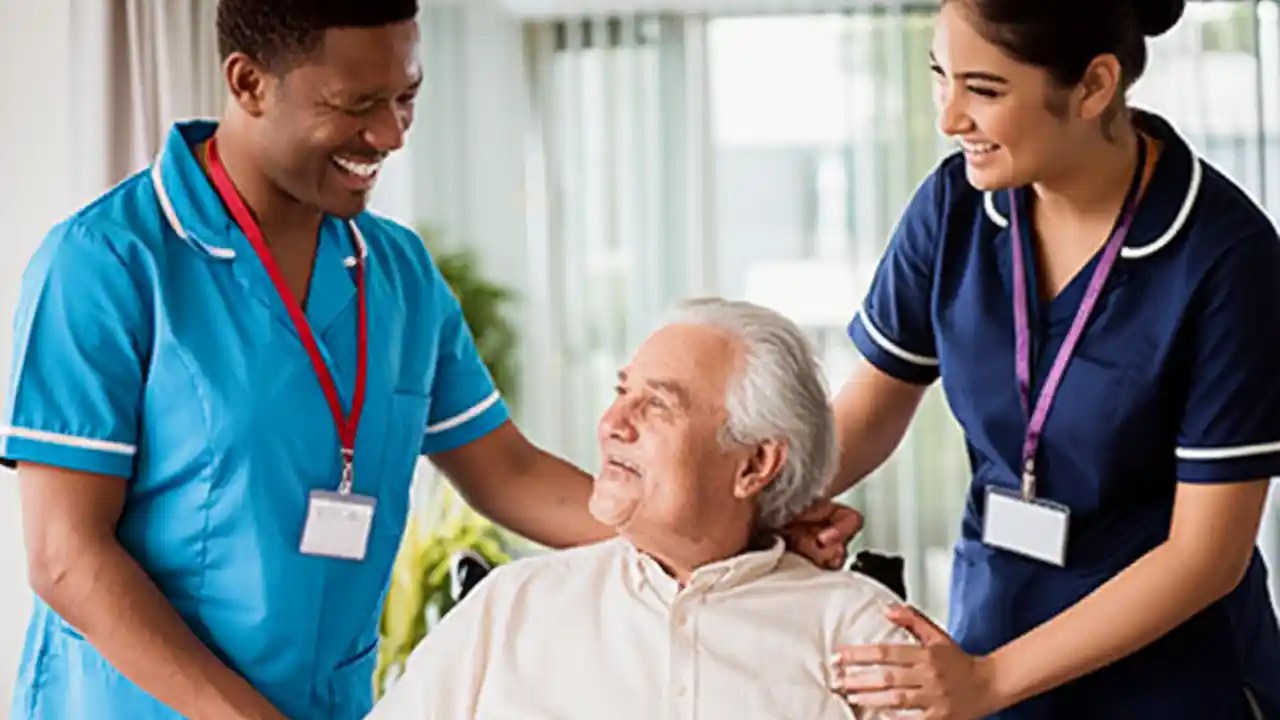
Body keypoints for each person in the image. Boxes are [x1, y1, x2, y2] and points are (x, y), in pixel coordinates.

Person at [0, 3, 861, 719]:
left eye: (407, 98)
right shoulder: (108, 263)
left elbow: (511, 475)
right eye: (357, 102)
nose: (390, 134)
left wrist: (732, 534)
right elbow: (65, 556)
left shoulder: (397, 273)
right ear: (248, 83)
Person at [826, 0, 1280, 718]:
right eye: (940, 76)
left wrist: (991, 681)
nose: (949, 117)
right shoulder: (955, 208)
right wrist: (783, 503)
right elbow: (871, 408)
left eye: (984, 89)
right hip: (993, 641)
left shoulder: (1224, 258)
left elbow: (1207, 556)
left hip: (1170, 679)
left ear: (1095, 86)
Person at [369, 298, 915, 720]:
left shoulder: (856, 628)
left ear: (755, 464)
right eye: (622, 392)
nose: (612, 423)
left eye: (657, 405)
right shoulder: (510, 607)